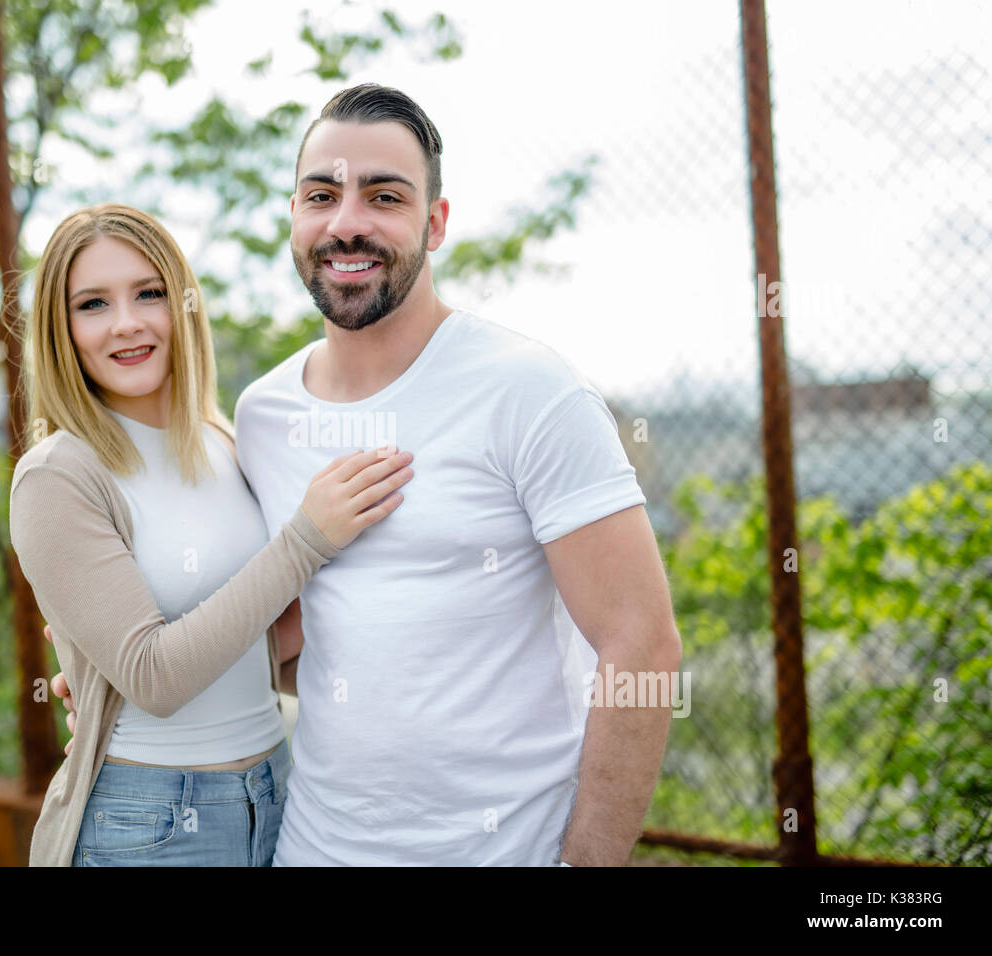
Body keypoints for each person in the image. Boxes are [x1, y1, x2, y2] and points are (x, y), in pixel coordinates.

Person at [55, 84, 682, 866]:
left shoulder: (530, 391)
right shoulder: (261, 417)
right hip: (311, 846)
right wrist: (105, 665)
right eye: (322, 194)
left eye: (383, 196)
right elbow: (292, 638)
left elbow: (643, 646)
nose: (346, 221)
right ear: (294, 218)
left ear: (436, 222)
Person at [9, 202, 415, 866]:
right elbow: (156, 678)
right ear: (62, 329)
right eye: (92, 304)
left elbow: (264, 650)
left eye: (149, 293)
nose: (128, 323)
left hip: (278, 793)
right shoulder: (58, 475)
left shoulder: (224, 441)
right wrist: (308, 540)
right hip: (148, 822)